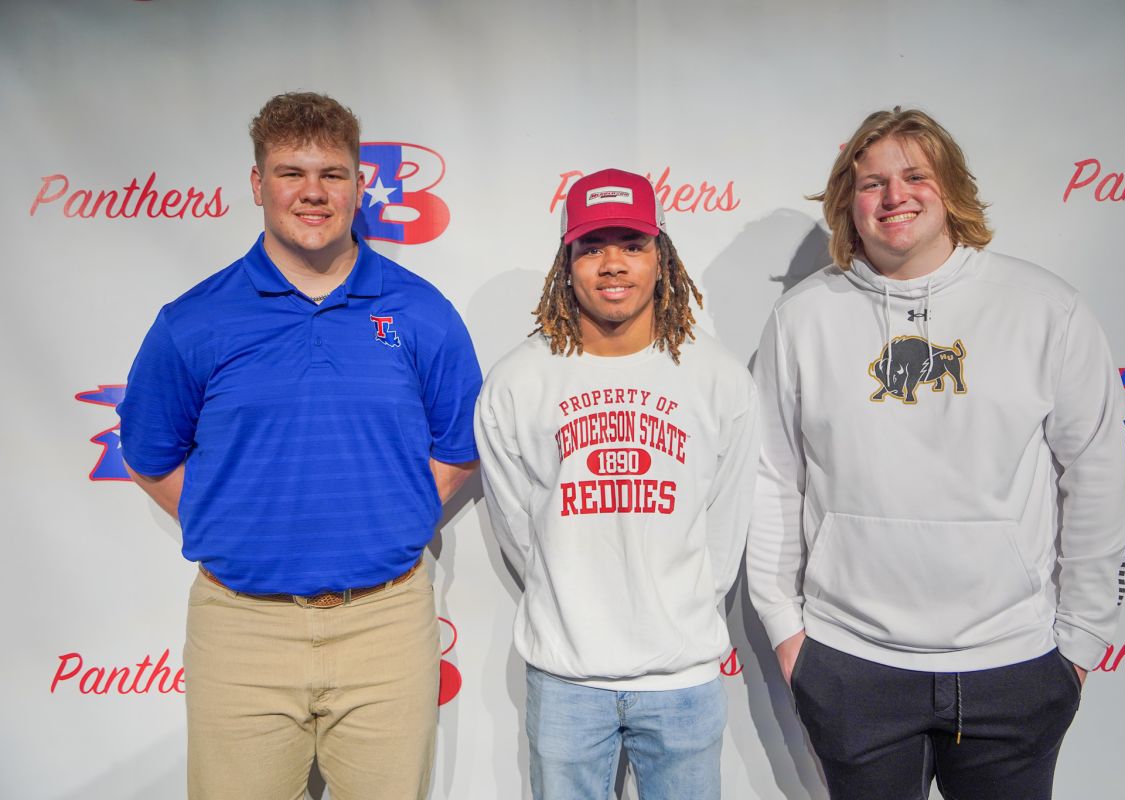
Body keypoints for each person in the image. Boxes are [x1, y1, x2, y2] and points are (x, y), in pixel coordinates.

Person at [747, 108, 1125, 800]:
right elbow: (772, 478)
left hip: (1014, 667)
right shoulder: (803, 320)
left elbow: (1100, 478)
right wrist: (786, 628)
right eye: (871, 183)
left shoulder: (1046, 309)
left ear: (949, 187)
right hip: (850, 665)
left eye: (914, 175)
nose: (894, 196)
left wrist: (1078, 644)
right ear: (849, 203)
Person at [118, 92, 481, 800]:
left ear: (358, 184)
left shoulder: (420, 311)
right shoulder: (193, 321)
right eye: (291, 172)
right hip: (242, 632)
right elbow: (151, 454)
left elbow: (460, 445)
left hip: (386, 623)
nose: (312, 192)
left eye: (333, 174)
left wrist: (396, 513)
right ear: (258, 184)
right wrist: (236, 520)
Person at [475, 168, 759, 800]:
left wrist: (672, 618)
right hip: (566, 681)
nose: (613, 265)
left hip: (683, 680)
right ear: (566, 262)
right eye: (592, 247)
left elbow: (725, 529)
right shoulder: (518, 382)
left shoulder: (717, 378)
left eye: (632, 245)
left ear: (662, 258)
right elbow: (522, 533)